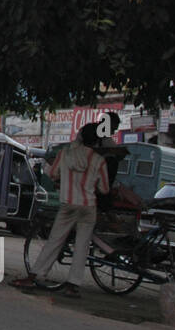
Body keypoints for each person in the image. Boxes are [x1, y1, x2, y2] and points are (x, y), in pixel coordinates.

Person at [9, 122, 110, 297]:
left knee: (55, 240)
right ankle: (72, 286)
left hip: (67, 204)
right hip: (88, 207)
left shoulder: (65, 154)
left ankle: (35, 275)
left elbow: (52, 174)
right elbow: (105, 189)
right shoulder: (99, 160)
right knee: (82, 245)